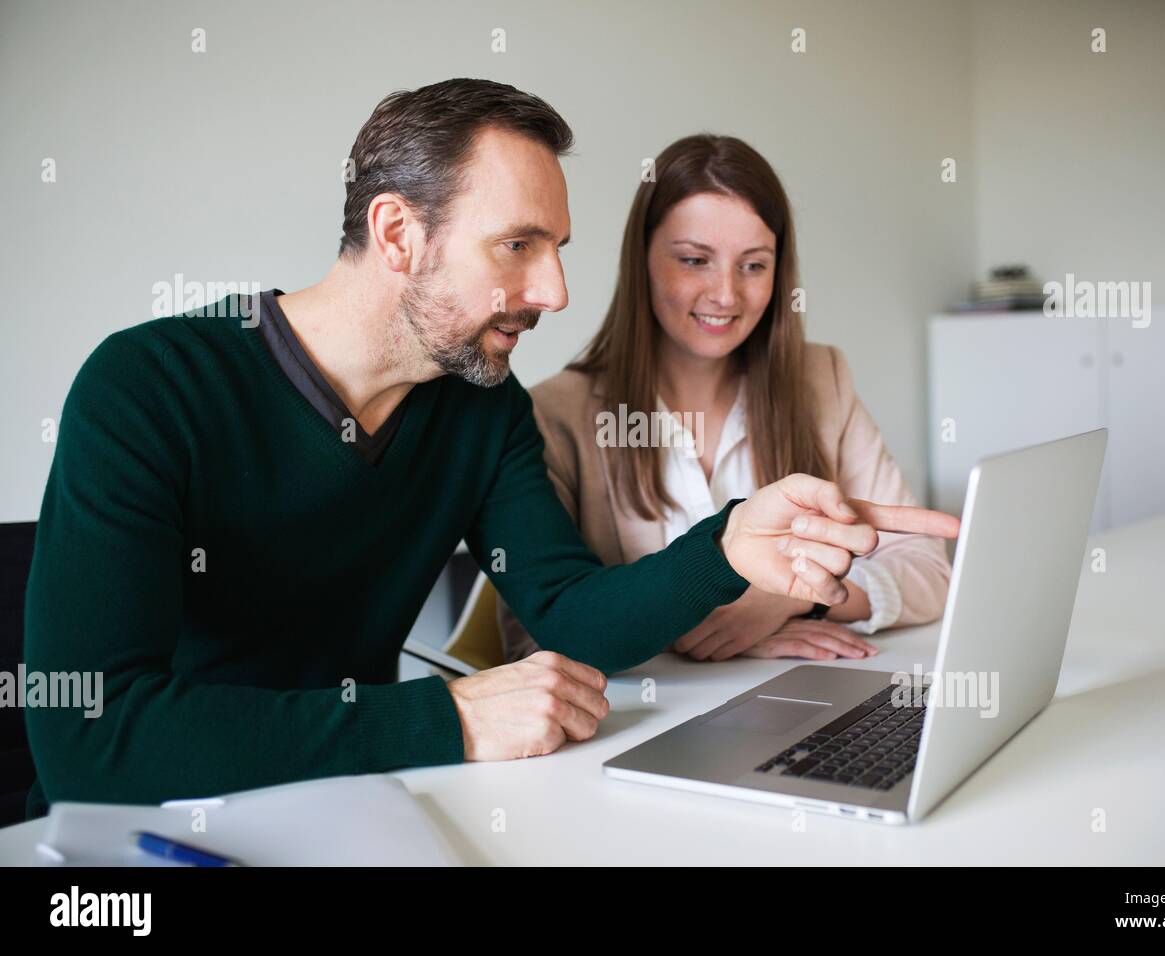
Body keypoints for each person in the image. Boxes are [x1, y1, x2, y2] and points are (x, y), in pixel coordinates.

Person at [23, 80, 959, 817]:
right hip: (150, 826)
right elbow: (91, 735)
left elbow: (567, 615)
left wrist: (724, 550)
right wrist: (447, 718)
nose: (553, 290)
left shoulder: (481, 404)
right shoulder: (149, 386)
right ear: (397, 232)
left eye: (556, 247)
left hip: (348, 801)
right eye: (517, 245)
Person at [500, 134, 953, 664]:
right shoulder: (555, 414)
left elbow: (926, 571)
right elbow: (535, 639)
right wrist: (718, 624)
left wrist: (790, 600)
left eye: (754, 265)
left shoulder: (821, 378)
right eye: (694, 260)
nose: (725, 294)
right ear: (641, 259)